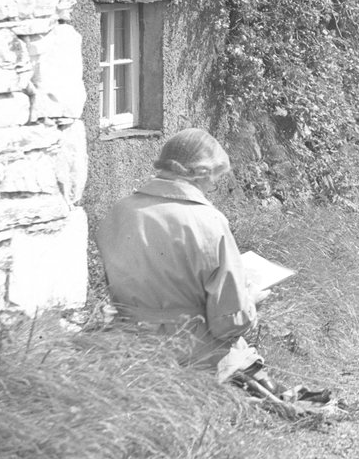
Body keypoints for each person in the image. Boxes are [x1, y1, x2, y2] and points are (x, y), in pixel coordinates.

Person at [96, 128, 259, 368]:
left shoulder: (119, 211)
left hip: (127, 347)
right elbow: (228, 324)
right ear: (201, 175)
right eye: (213, 183)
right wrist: (251, 302)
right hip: (190, 352)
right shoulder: (209, 221)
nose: (209, 191)